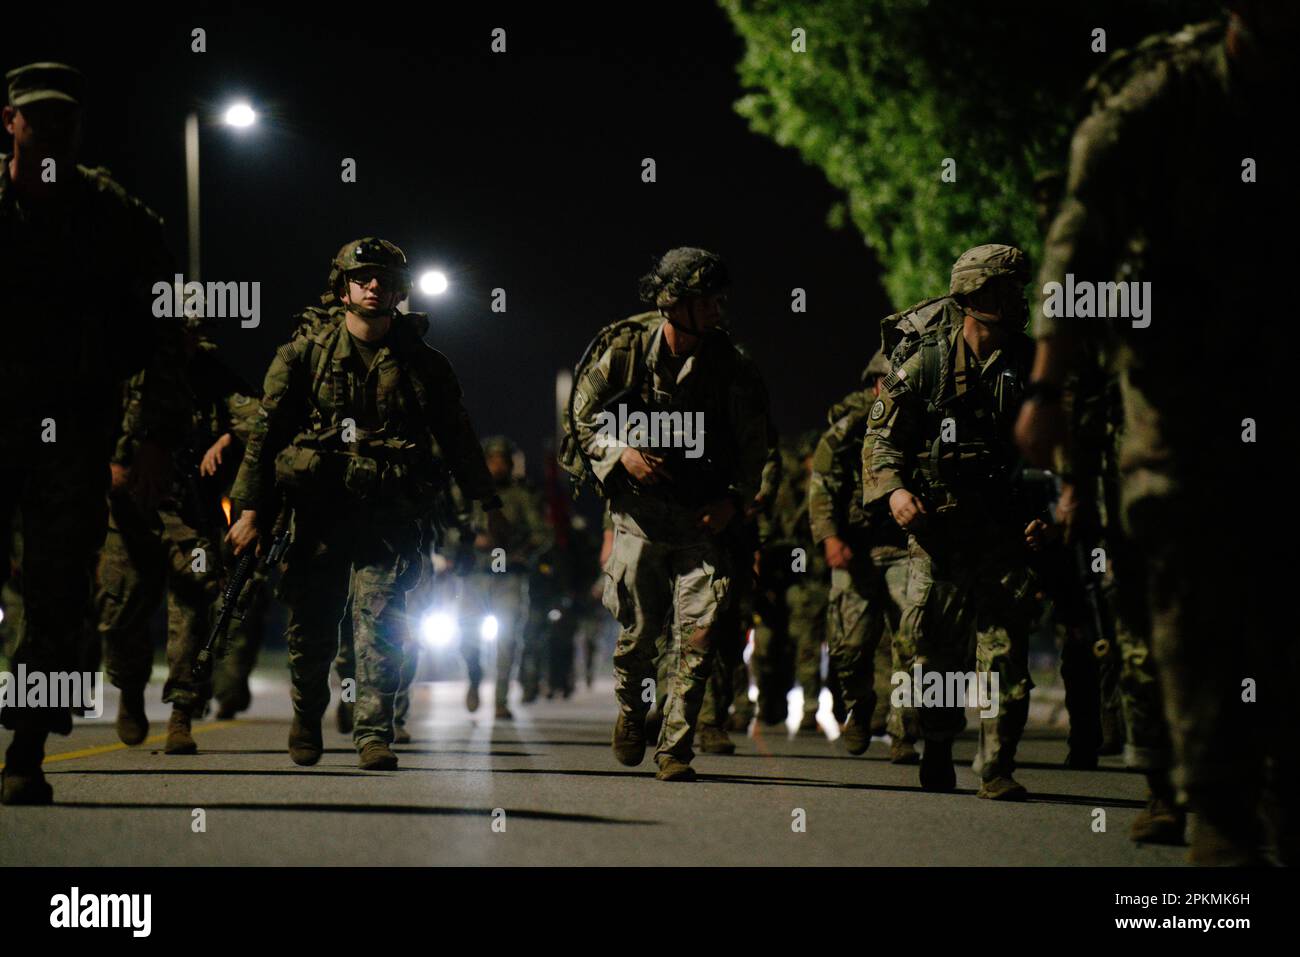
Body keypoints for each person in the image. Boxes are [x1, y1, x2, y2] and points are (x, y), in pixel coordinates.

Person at [1015, 4, 1297, 862]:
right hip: (1184, 381)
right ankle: (1214, 804)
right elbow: (1078, 236)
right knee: (1189, 574)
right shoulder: (1158, 93)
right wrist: (1048, 387)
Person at [227, 237, 506, 771]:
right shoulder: (302, 357)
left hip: (389, 518)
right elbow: (265, 438)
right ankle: (307, 717)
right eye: (363, 278)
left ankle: (373, 733)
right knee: (311, 630)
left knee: (381, 625)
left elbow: (459, 439)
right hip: (318, 516)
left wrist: (488, 504)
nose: (374, 286)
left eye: (384, 279)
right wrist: (250, 511)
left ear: (399, 291)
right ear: (342, 288)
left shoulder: (425, 365)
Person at [1, 62, 175, 804]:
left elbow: (167, 333)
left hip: (71, 437)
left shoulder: (118, 220)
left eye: (63, 118)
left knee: (60, 594)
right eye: (36, 116)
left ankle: (27, 750)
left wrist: (154, 436)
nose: (50, 130)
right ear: (10, 121)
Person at [573, 247, 768, 781]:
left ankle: (676, 748)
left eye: (719, 300)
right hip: (638, 517)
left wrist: (735, 502)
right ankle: (634, 712)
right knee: (637, 636)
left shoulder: (733, 367)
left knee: (699, 635)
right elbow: (582, 422)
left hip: (702, 521)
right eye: (705, 300)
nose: (716, 310)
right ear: (673, 303)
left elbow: (757, 450)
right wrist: (623, 455)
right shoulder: (624, 352)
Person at [864, 243, 1044, 800]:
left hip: (1006, 537)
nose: (1019, 300)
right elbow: (882, 440)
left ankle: (996, 766)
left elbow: (1059, 449)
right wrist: (894, 493)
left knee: (1005, 657)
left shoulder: (1031, 366)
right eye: (1008, 290)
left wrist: (1049, 510)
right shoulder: (929, 364)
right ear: (976, 295)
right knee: (936, 661)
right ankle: (939, 744)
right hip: (940, 537)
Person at [811, 351, 919, 761]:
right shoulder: (848, 428)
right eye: (887, 383)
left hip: (906, 549)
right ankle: (859, 707)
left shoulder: (920, 423)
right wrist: (829, 537)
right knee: (848, 646)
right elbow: (822, 483)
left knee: (912, 639)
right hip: (854, 550)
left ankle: (904, 730)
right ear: (874, 385)